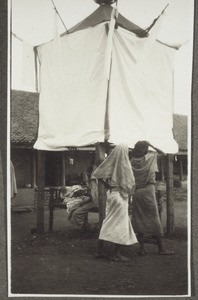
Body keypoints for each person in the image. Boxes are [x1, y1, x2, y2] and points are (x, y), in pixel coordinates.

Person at [92, 144, 137, 262]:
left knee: (108, 222)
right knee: (119, 224)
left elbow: (98, 174)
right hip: (120, 196)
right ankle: (115, 253)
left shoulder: (111, 162)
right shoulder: (124, 164)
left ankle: (98, 250)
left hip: (111, 195)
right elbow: (130, 183)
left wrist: (108, 185)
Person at [130, 140, 174, 255]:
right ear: (145, 149)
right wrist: (152, 145)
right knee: (154, 218)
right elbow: (164, 154)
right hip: (148, 191)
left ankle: (142, 248)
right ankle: (161, 248)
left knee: (138, 218)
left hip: (137, 192)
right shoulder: (151, 157)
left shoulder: (131, 162)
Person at [67, 164, 99, 231]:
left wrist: (87, 199)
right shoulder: (90, 182)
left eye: (88, 173)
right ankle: (85, 226)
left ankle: (87, 227)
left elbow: (95, 197)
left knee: (77, 212)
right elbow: (91, 194)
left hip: (96, 202)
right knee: (74, 208)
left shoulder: (94, 181)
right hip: (92, 200)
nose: (86, 175)